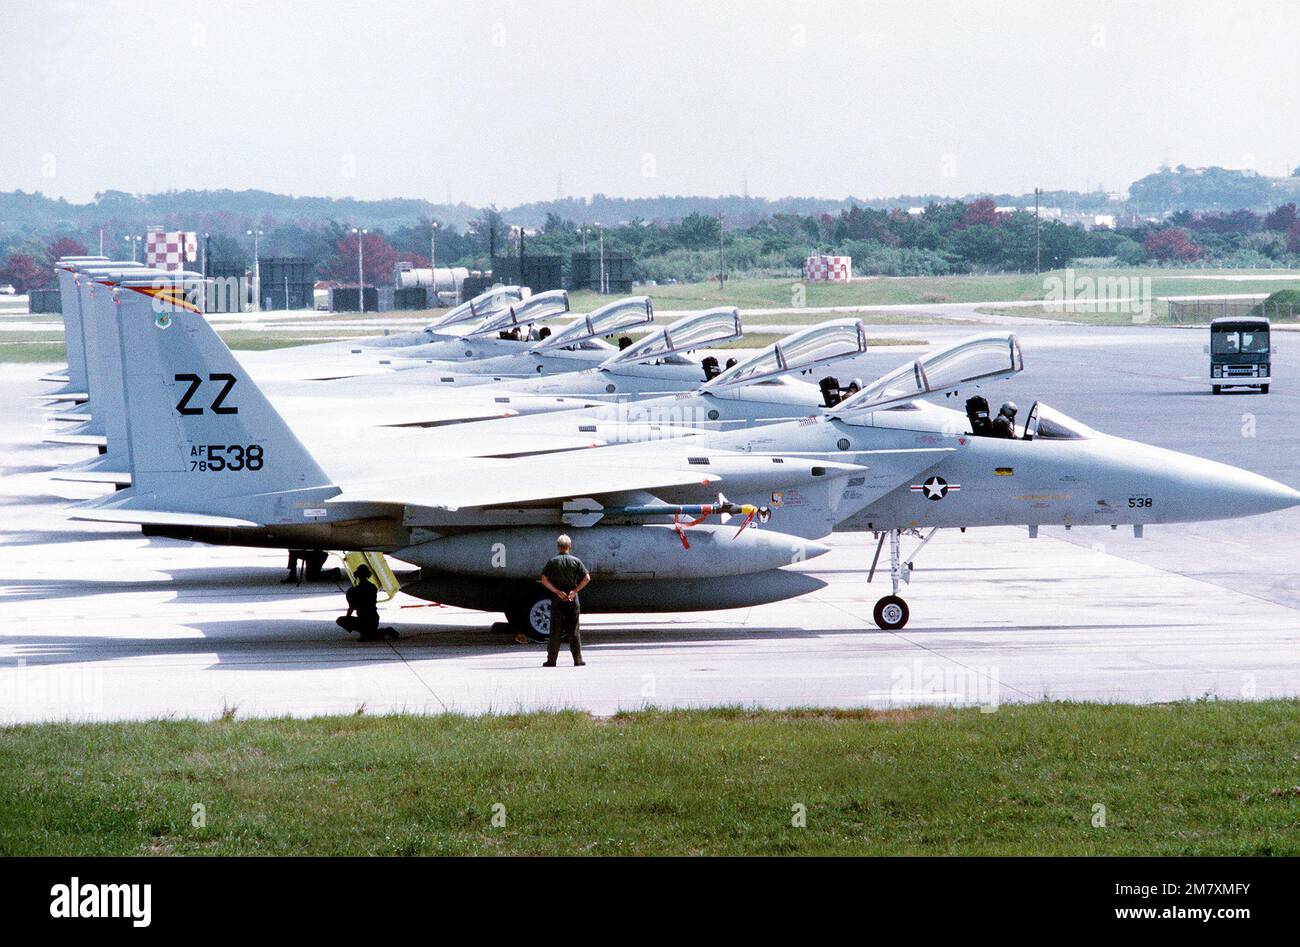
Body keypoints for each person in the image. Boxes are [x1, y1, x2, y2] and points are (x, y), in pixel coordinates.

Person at [538, 534, 591, 667]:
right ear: (569, 546)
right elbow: (587, 578)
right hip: (572, 598)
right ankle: (578, 660)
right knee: (574, 630)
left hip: (558, 598)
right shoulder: (576, 561)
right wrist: (575, 591)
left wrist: (556, 591)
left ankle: (551, 660)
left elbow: (544, 579)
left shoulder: (553, 562)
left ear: (558, 546)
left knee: (555, 631)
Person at [336, 565, 397, 641]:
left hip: (363, 619)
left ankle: (378, 632)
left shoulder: (354, 590)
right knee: (370, 632)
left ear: (357, 576)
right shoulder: (373, 587)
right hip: (374, 619)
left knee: (340, 620)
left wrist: (347, 618)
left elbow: (352, 607)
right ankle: (380, 631)